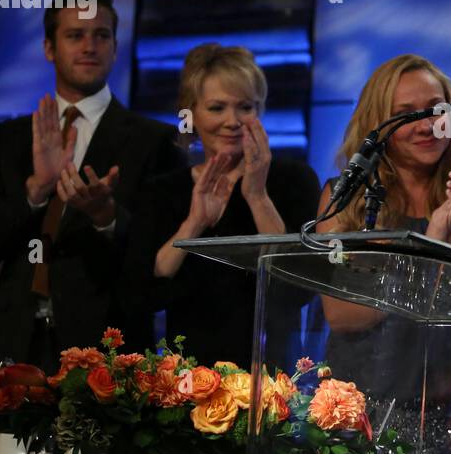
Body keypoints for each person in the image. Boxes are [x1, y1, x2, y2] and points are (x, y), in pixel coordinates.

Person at [314, 54, 451, 454]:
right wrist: (430, 243)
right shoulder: (345, 199)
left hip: (449, 418)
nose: (426, 125)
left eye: (437, 110)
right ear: (378, 124)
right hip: (357, 413)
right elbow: (341, 314)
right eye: (406, 114)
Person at [0, 0, 182, 373]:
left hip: (105, 355)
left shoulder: (154, 140)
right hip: (12, 347)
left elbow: (157, 265)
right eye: (75, 35)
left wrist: (107, 218)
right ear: (49, 48)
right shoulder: (11, 139)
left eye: (101, 35)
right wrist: (34, 191)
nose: (89, 46)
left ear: (115, 47)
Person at [123, 44, 320, 368]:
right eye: (217, 108)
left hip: (272, 374)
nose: (232, 121)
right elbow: (145, 291)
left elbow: (295, 289)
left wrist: (257, 196)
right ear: (190, 113)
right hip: (188, 377)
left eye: (245, 107)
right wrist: (194, 223)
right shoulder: (163, 191)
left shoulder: (295, 180)